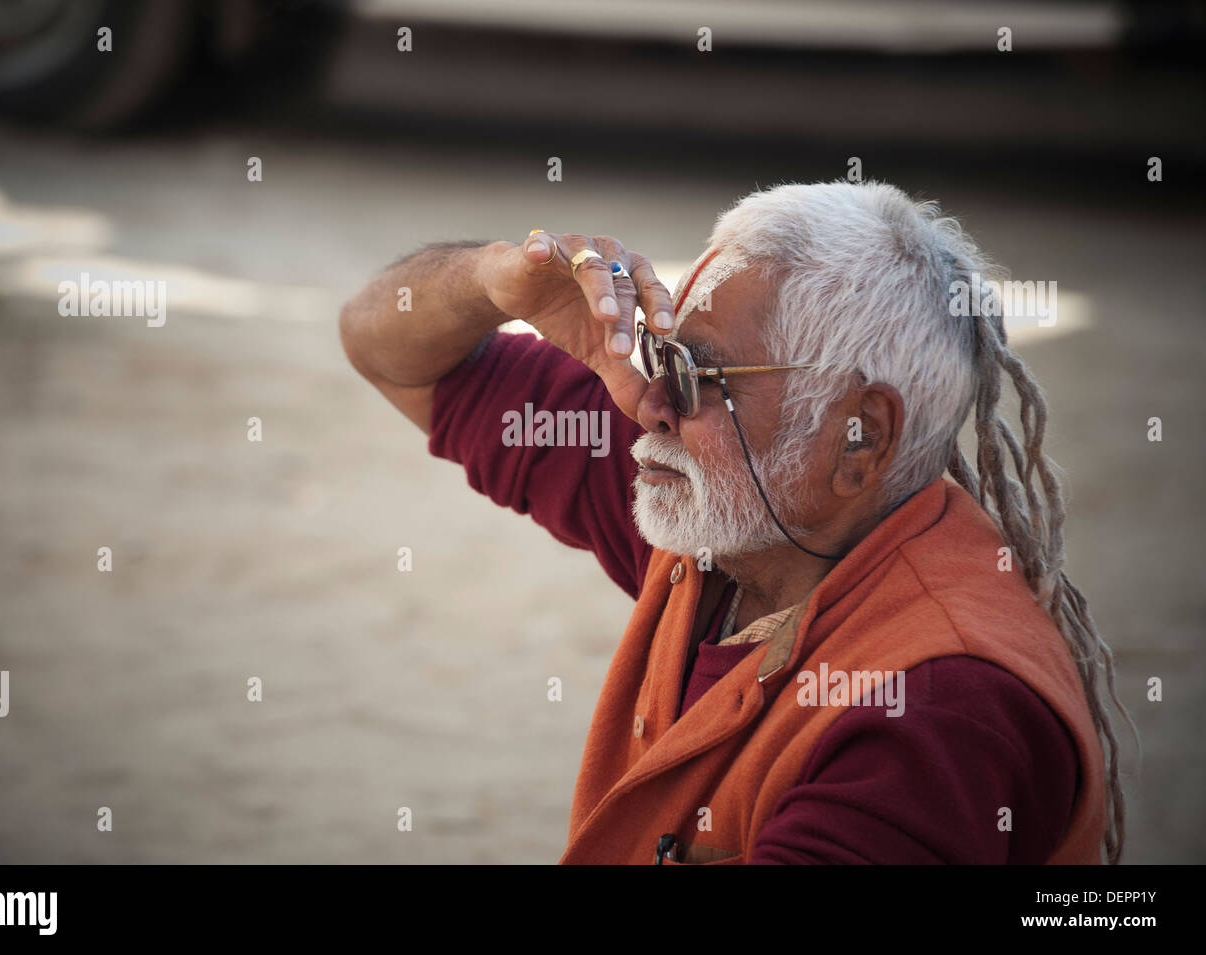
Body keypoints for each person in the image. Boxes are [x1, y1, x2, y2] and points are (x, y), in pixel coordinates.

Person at [339, 180, 1134, 864]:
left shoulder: (937, 707)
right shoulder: (732, 505)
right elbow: (388, 350)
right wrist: (491, 281)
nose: (649, 405)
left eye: (697, 373)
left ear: (861, 440)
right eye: (660, 356)